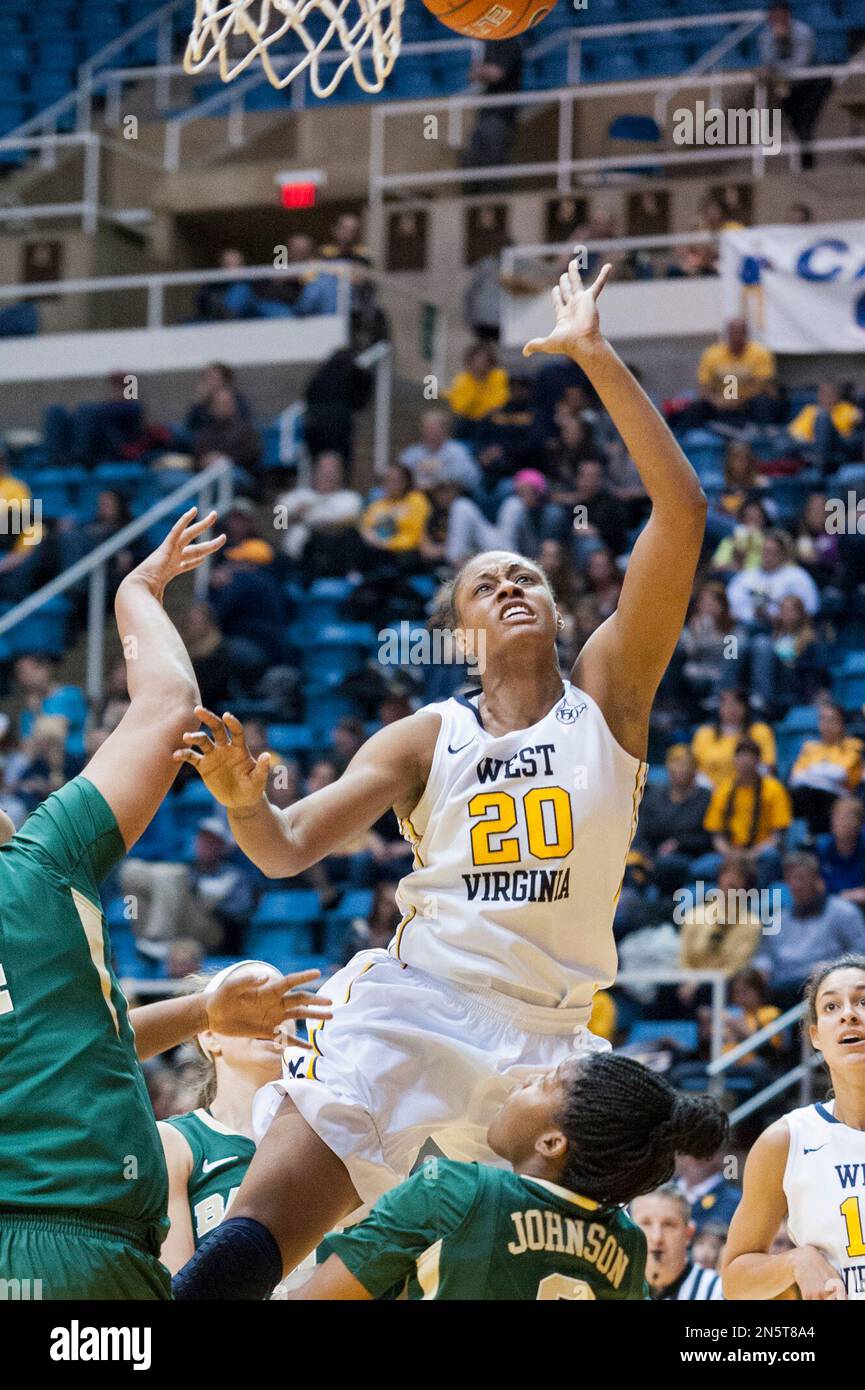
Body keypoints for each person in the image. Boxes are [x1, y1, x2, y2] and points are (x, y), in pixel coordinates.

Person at [171, 258, 708, 1300]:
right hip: (426, 1002)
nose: (510, 584)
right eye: (485, 582)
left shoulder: (609, 694)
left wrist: (593, 356)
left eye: (528, 577)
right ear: (456, 630)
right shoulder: (423, 735)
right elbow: (283, 849)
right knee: (266, 1234)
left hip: (553, 1037)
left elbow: (679, 512)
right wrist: (243, 799)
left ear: (556, 608)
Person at [0, 510, 330, 1299]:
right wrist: (137, 590)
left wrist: (203, 1012)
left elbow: (69, 1034)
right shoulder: (39, 864)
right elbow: (171, 702)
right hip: (80, 1251)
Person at [288, 1055, 727, 1301]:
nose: (525, 1080)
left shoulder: (454, 1191)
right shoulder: (628, 1245)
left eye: (545, 1083)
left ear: (552, 1143)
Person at [722, 955, 865, 1298]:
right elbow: (735, 1279)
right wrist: (796, 1262)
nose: (848, 1014)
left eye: (864, 1000)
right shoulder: (787, 1140)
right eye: (831, 1006)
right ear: (815, 1036)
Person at [158, 961, 289, 1274]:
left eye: (284, 1006)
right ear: (209, 1036)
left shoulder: (331, 1136)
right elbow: (176, 1287)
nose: (271, 1017)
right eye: (251, 1002)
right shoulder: (176, 1143)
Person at [753, 853, 865, 1009]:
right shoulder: (778, 919)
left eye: (801, 878)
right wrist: (761, 970)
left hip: (824, 986)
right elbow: (764, 956)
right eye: (790, 879)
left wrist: (834, 967)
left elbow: (860, 954)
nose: (795, 885)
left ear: (817, 881)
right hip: (780, 988)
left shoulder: (843, 912)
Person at [702, 736, 792, 885]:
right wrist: (730, 853)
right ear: (734, 760)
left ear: (758, 761)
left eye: (749, 756)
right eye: (741, 756)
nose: (745, 761)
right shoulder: (723, 789)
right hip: (730, 852)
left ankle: (756, 901)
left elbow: (778, 835)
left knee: (771, 857)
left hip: (760, 852)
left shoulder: (774, 789)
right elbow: (716, 835)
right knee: (701, 867)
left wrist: (751, 854)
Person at [757, 2, 831, 170]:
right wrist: (778, 44)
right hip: (788, 86)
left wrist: (782, 43)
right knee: (797, 125)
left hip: (812, 84)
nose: (777, 20)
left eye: (780, 15)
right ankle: (807, 164)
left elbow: (800, 64)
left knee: (805, 123)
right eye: (773, 16)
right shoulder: (766, 37)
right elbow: (768, 61)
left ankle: (808, 165)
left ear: (787, 15)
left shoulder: (803, 32)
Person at [631, 745, 712, 895]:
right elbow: (641, 831)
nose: (680, 769)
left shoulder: (705, 797)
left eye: (685, 764)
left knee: (667, 864)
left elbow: (707, 837)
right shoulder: (654, 796)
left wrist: (679, 843)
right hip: (652, 854)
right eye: (675, 763)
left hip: (689, 855)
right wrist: (644, 855)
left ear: (695, 770)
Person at [676, 319, 778, 431]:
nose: (736, 337)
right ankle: (688, 440)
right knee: (695, 408)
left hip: (748, 402)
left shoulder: (760, 353)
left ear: (746, 334)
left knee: (762, 403)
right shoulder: (712, 354)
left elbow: (761, 385)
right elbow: (703, 385)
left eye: (740, 332)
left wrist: (738, 400)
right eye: (733, 332)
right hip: (719, 402)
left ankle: (763, 437)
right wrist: (716, 400)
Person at [630, 1183, 725, 1300]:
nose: (657, 1237)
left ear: (689, 1233)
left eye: (668, 1224)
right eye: (646, 1223)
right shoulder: (614, 1285)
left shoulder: (717, 1291)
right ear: (630, 1231)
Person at [789, 700, 863, 835]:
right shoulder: (809, 747)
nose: (827, 725)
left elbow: (841, 773)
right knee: (797, 795)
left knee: (821, 797)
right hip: (810, 796)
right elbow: (796, 777)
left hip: (841, 796)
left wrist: (812, 772)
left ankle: (816, 839)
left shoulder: (853, 745)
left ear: (842, 724)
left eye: (832, 720)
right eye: (823, 720)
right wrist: (825, 776)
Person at [461, 38, 524, 178]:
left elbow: (497, 73)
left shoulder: (511, 44)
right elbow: (472, 75)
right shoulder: (489, 45)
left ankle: (494, 197)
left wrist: (480, 71)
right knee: (472, 159)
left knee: (494, 162)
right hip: (486, 111)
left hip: (502, 114)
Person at [691, 686, 777, 786]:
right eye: (725, 704)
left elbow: (767, 767)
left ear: (745, 707)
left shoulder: (761, 731)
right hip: (710, 790)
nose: (731, 708)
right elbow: (693, 767)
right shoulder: (703, 733)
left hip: (747, 788)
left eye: (736, 703)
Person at [398, 410, 480, 495]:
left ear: (444, 431)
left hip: (448, 499)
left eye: (434, 429)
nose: (430, 433)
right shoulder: (411, 453)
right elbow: (399, 476)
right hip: (416, 498)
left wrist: (442, 480)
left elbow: (473, 479)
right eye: (427, 429)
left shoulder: (457, 452)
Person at [817, 797, 865, 908]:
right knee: (777, 890)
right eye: (839, 817)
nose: (844, 823)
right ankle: (771, 924)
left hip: (859, 907)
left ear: (860, 823)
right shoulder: (822, 847)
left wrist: (848, 896)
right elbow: (817, 886)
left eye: (850, 818)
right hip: (829, 907)